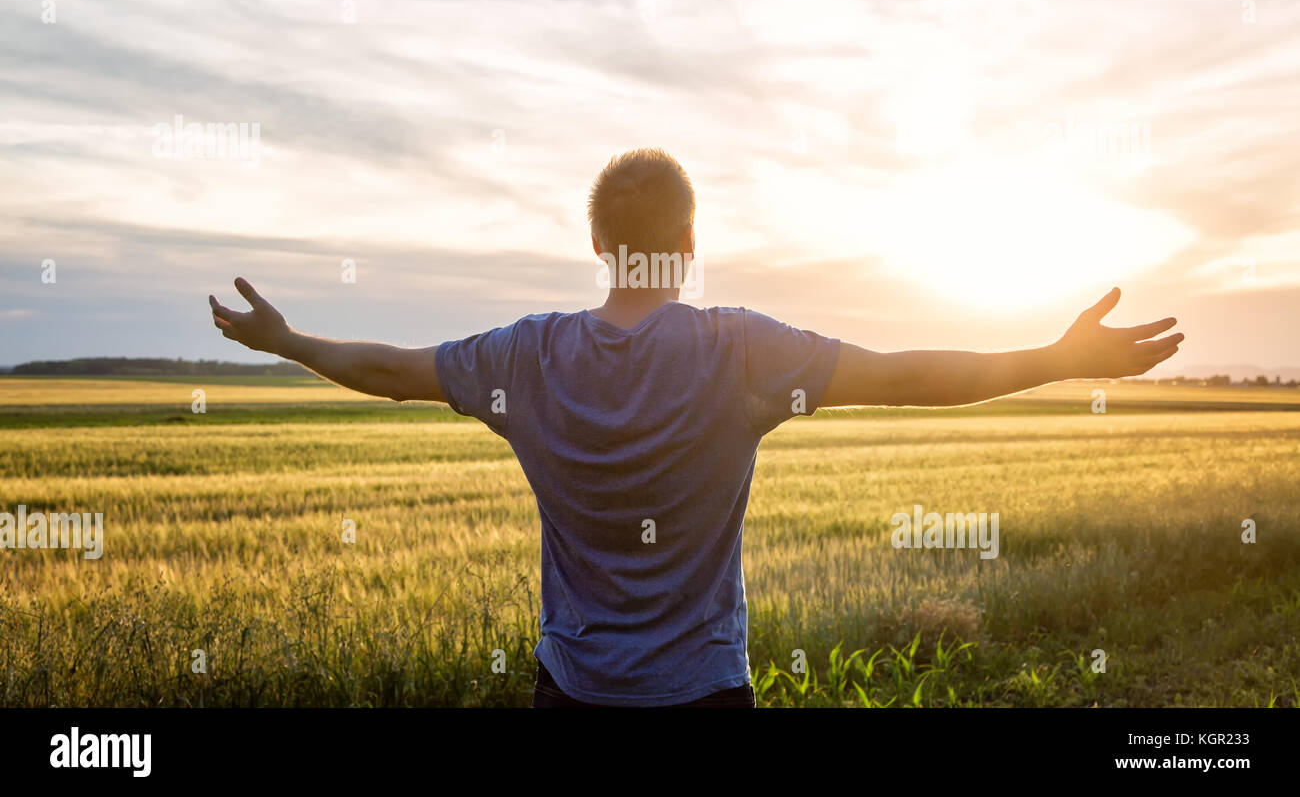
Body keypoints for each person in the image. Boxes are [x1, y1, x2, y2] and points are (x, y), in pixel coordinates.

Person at [208, 147, 1183, 708]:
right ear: (686, 245)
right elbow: (902, 378)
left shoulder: (524, 357)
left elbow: (388, 370)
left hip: (572, 689)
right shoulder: (739, 352)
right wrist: (1055, 358)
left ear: (597, 246)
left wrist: (287, 337)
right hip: (703, 694)